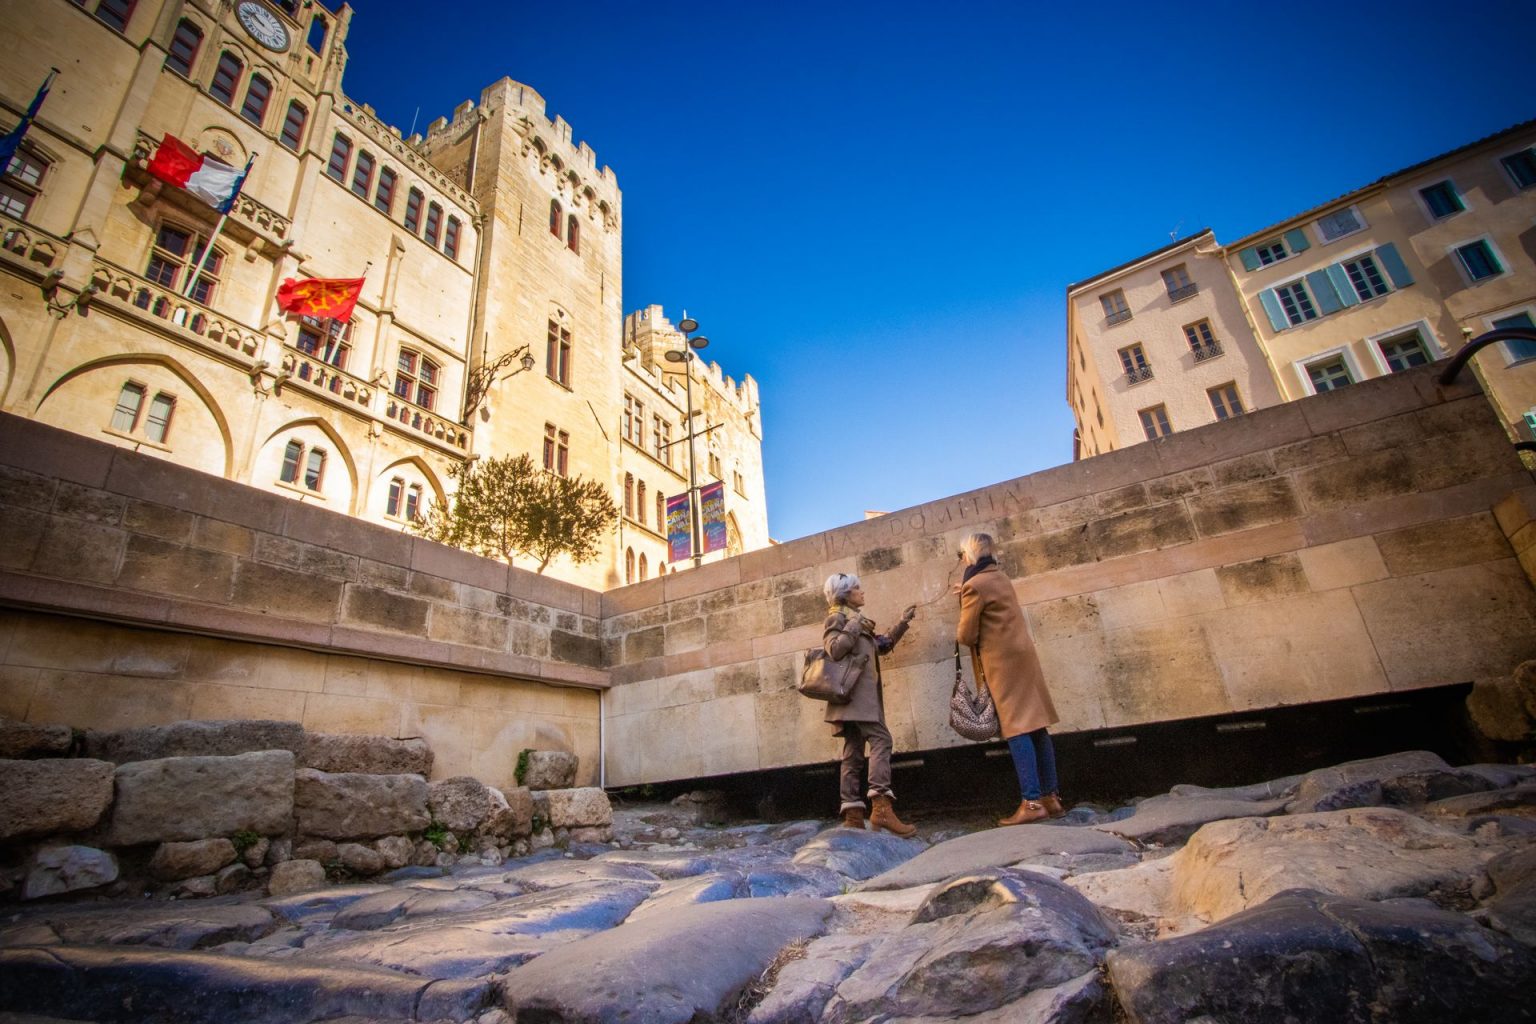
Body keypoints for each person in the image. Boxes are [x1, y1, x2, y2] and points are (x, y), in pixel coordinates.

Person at [955, 532, 1065, 826]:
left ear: (970, 554)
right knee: (1037, 725)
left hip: (1001, 663)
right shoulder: (999, 577)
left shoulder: (973, 586)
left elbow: (966, 635)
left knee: (1015, 727)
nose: (962, 559)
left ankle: (1030, 802)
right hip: (1023, 658)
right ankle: (1050, 797)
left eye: (961, 554)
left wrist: (965, 598)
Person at [822, 571, 918, 835]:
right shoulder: (839, 618)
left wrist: (902, 622)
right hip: (856, 697)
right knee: (882, 740)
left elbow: (881, 646)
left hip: (856, 699)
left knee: (853, 751)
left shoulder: (855, 620)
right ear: (845, 594)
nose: (862, 592)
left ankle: (853, 814)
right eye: (857, 589)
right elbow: (834, 649)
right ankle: (881, 808)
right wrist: (854, 626)